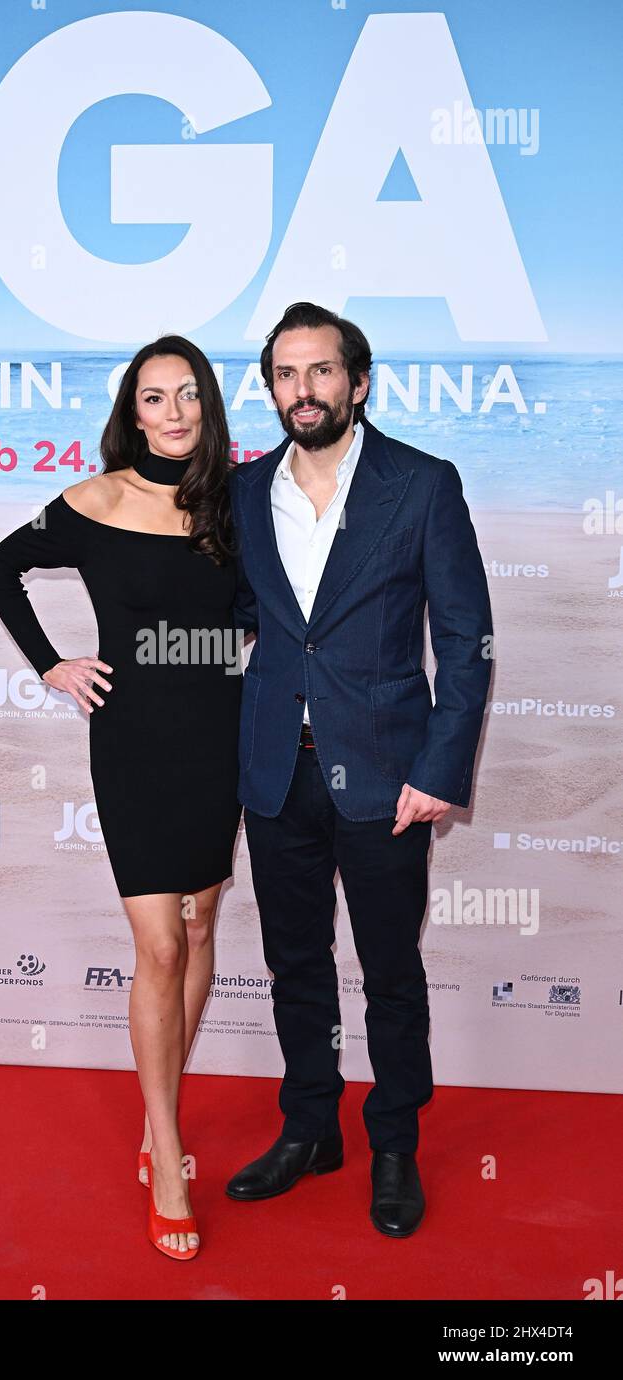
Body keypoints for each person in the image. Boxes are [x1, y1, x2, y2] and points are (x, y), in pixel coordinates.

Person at [226, 302, 493, 1236]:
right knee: (293, 960)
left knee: (389, 968)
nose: (304, 390)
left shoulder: (420, 485)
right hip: (274, 771)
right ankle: (309, 1130)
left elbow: (464, 641)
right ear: (272, 390)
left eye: (322, 372)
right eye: (286, 375)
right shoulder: (246, 490)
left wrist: (440, 765)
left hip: (387, 773)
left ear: (359, 381)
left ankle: (393, 1146)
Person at [0, 336, 245, 1261]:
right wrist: (52, 664)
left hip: (220, 731)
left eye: (188, 397)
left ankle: (153, 1122)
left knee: (204, 924)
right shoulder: (92, 501)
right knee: (161, 942)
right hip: (133, 739)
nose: (171, 413)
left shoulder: (234, 502)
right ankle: (167, 1154)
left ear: (207, 408)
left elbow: (255, 613)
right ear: (131, 411)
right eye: (153, 397)